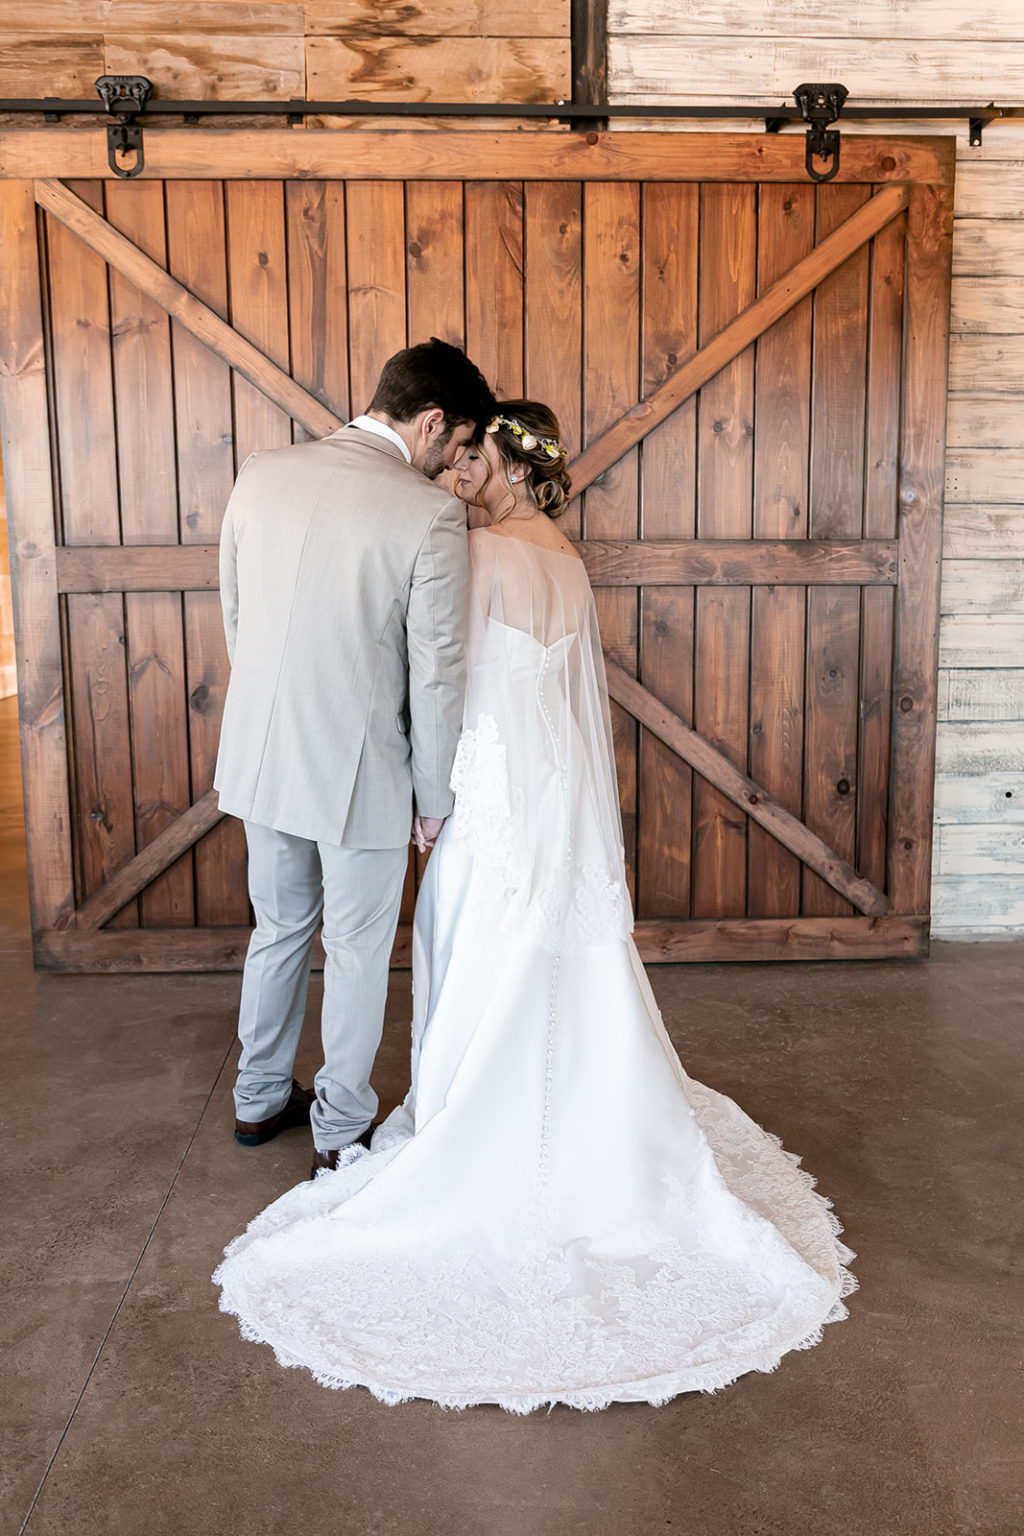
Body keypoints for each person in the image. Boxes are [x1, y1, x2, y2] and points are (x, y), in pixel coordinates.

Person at [214, 401, 855, 1411]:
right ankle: (560, 1098)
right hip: (551, 797)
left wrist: (417, 785)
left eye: (473, 455)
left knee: (462, 941)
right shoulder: (560, 559)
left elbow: (438, 681)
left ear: (507, 466)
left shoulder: (484, 559)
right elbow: (555, 700)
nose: (457, 467)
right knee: (549, 951)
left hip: (487, 795)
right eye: (456, 448)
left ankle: (463, 1112)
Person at [214, 338, 496, 1175]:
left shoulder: (260, 473)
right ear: (432, 420)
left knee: (277, 931)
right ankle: (340, 1130)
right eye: (457, 442)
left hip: (262, 757)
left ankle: (258, 1101)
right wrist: (436, 796)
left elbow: (238, 619)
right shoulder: (428, 515)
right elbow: (437, 674)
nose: (455, 464)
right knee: (359, 948)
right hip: (360, 773)